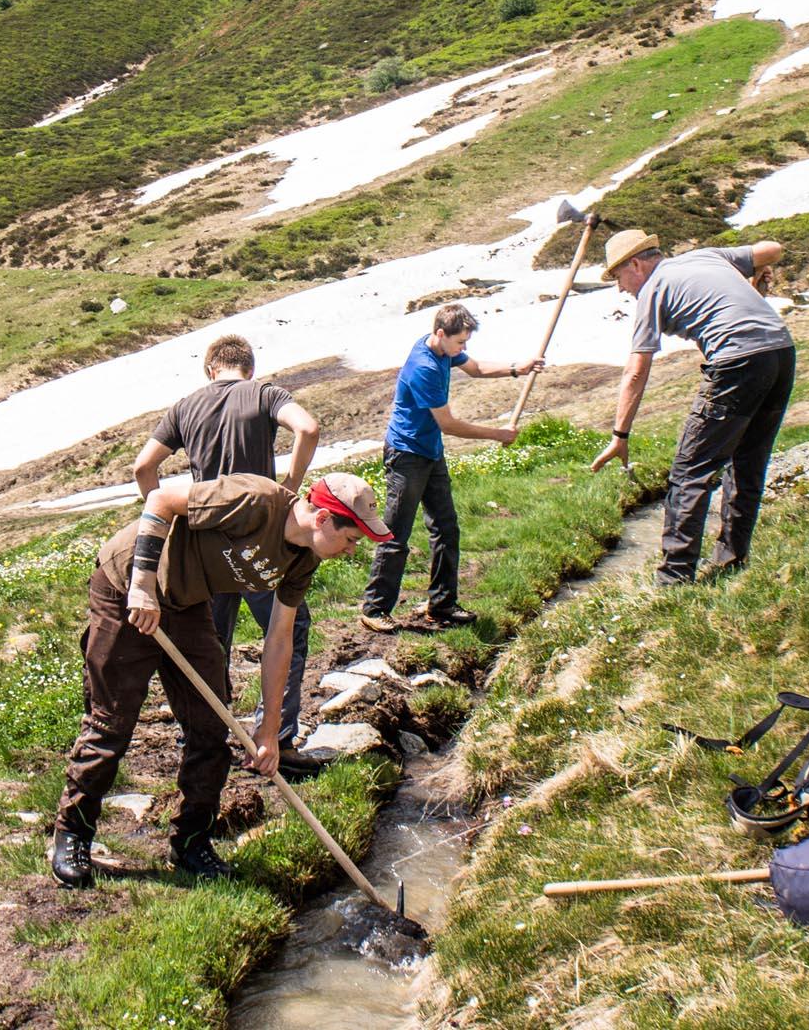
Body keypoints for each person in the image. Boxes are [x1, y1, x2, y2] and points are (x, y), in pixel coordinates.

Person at [51, 471, 391, 889]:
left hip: (185, 603)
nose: (352, 550)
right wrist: (141, 587)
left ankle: (191, 843)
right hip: (126, 586)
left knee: (211, 726)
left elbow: (278, 640)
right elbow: (160, 500)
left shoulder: (303, 559)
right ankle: (73, 833)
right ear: (322, 518)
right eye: (351, 539)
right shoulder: (254, 501)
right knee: (112, 723)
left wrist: (269, 731)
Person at [132, 335, 323, 776]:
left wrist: (171, 521)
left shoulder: (185, 407)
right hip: (261, 541)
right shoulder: (264, 395)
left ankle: (202, 738)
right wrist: (289, 487)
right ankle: (276, 740)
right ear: (250, 369)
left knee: (209, 643)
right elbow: (308, 428)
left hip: (205, 548)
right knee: (287, 630)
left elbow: (143, 467)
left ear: (209, 370)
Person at [589, 230, 793, 585]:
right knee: (748, 462)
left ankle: (674, 578)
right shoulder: (706, 256)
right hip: (781, 352)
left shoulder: (652, 290)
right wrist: (753, 279)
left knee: (689, 472)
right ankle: (731, 561)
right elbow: (773, 249)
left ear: (635, 264)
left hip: (736, 361)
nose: (620, 288)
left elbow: (636, 370)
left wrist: (620, 435)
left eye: (618, 277)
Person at [359, 304, 542, 633]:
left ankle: (442, 605)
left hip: (430, 452)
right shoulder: (424, 366)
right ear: (441, 334)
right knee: (395, 534)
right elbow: (449, 424)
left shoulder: (444, 350)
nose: (463, 348)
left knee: (446, 528)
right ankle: (375, 608)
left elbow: (476, 368)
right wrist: (497, 434)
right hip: (406, 455)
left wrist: (518, 368)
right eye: (460, 342)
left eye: (466, 342)